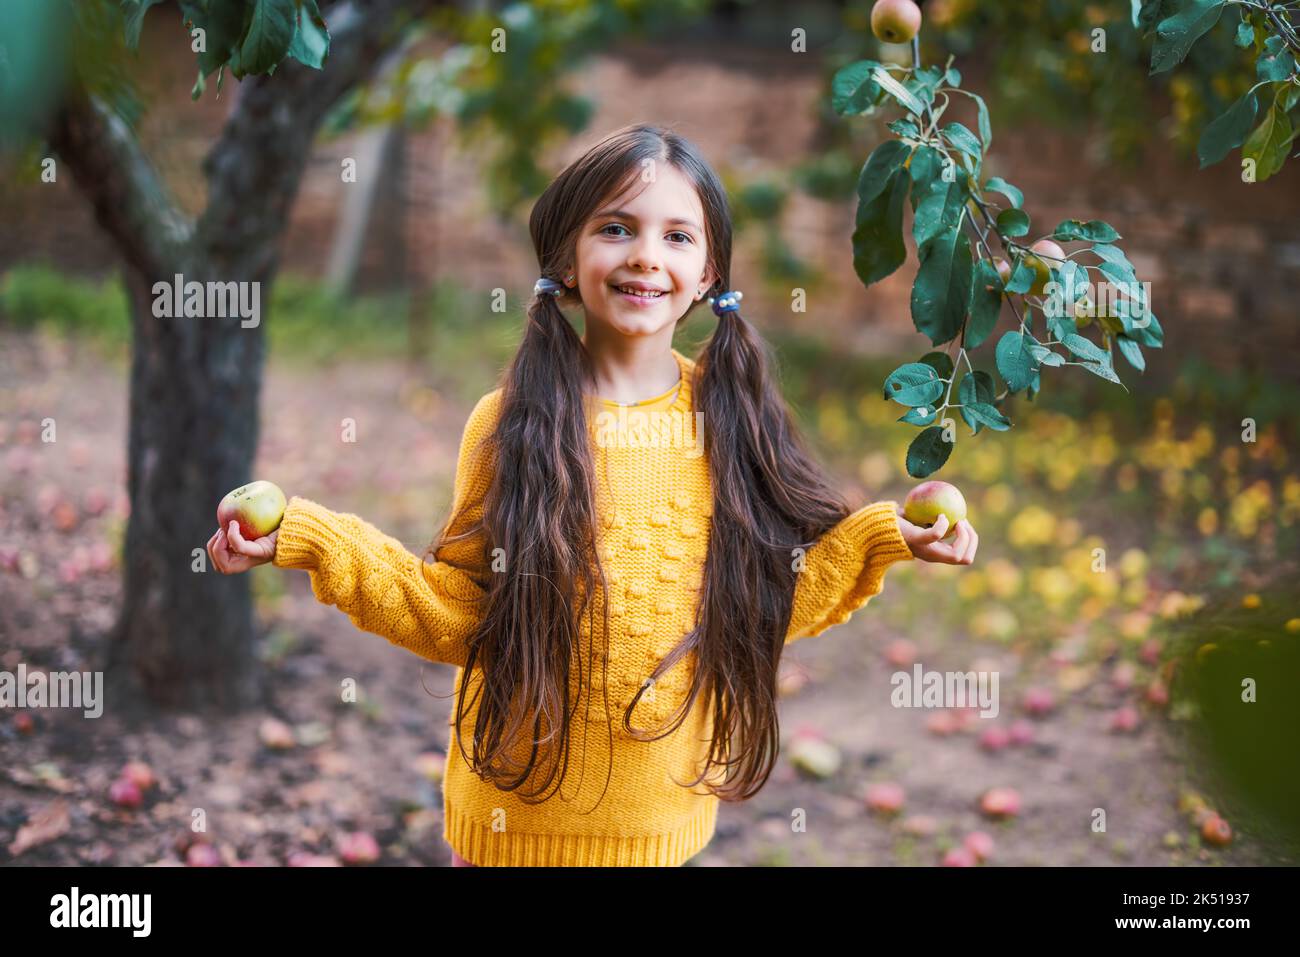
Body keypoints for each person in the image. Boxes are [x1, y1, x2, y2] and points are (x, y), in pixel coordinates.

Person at [207, 123, 979, 868]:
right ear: (568, 259)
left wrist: (886, 537)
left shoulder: (731, 417)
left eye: (678, 236)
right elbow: (463, 613)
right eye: (616, 228)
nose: (647, 256)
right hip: (511, 828)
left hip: (657, 832)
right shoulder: (510, 423)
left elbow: (760, 608)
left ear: (709, 274)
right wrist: (315, 540)